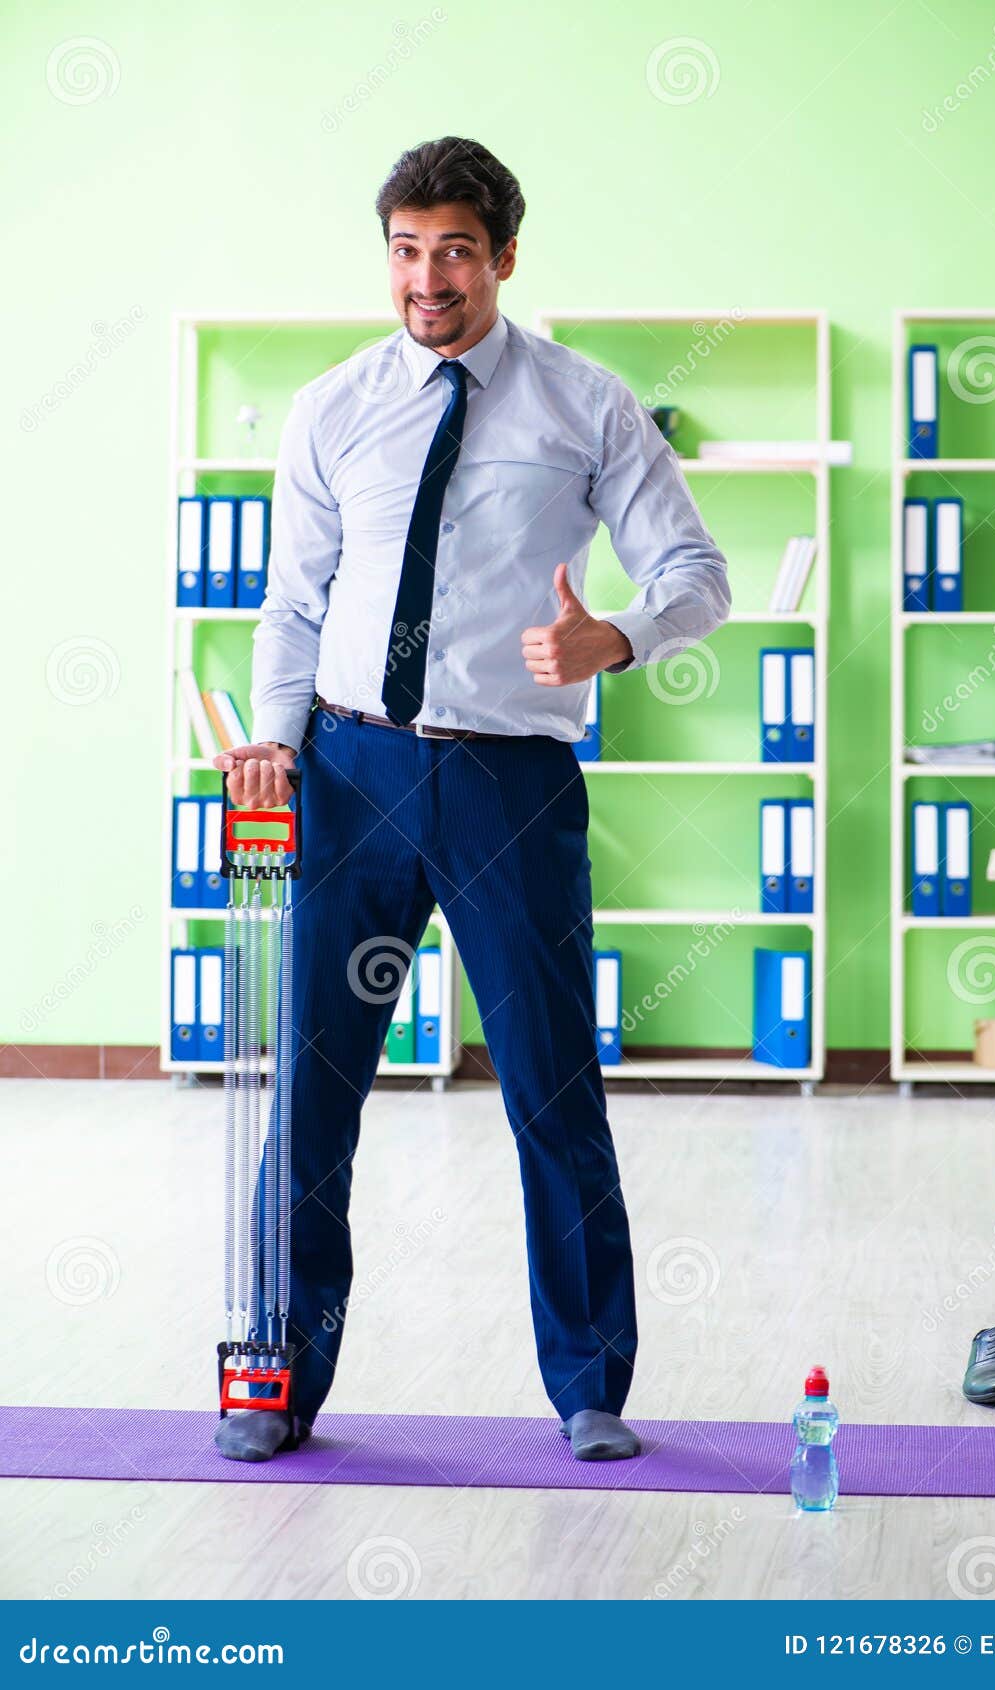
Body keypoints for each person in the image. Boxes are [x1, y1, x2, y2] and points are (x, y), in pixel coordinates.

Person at [213, 135, 730, 1463]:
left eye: (452, 250)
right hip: (350, 770)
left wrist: (613, 639)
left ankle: (592, 1383)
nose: (426, 278)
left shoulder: (587, 404)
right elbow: (291, 602)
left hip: (509, 782)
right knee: (313, 1093)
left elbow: (697, 569)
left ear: (503, 255)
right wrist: (274, 739)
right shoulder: (333, 407)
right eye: (404, 250)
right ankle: (273, 1379)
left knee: (552, 1087)